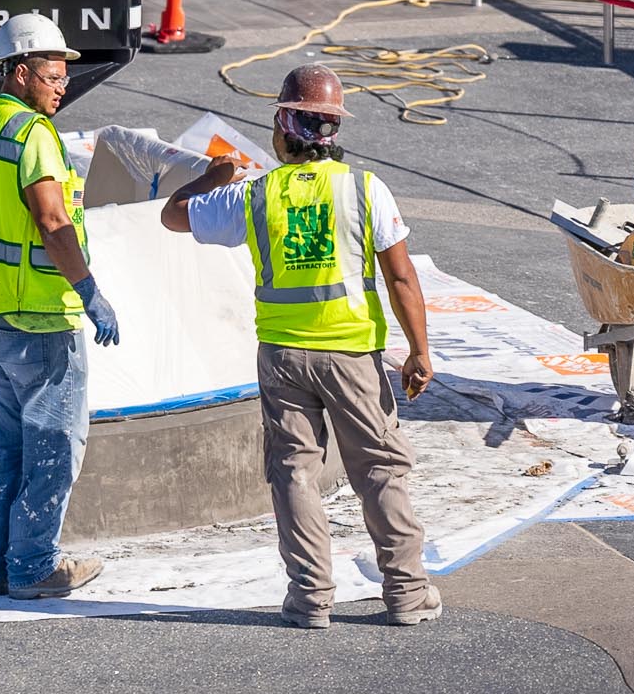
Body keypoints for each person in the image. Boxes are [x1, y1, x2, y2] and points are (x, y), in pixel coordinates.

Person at [161, 65, 438, 629]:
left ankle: (310, 599)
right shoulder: (365, 189)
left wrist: (210, 179)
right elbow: (402, 278)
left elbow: (173, 217)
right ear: (333, 131)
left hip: (283, 355)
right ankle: (407, 596)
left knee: (294, 471)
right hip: (353, 353)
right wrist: (419, 350)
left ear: (283, 125)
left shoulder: (254, 194)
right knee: (380, 470)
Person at [0, 13, 123, 600]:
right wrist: (89, 290)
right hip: (38, 310)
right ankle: (33, 567)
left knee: (11, 443)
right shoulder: (33, 135)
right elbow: (52, 219)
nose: (61, 86)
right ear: (21, 73)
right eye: (51, 75)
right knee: (55, 443)